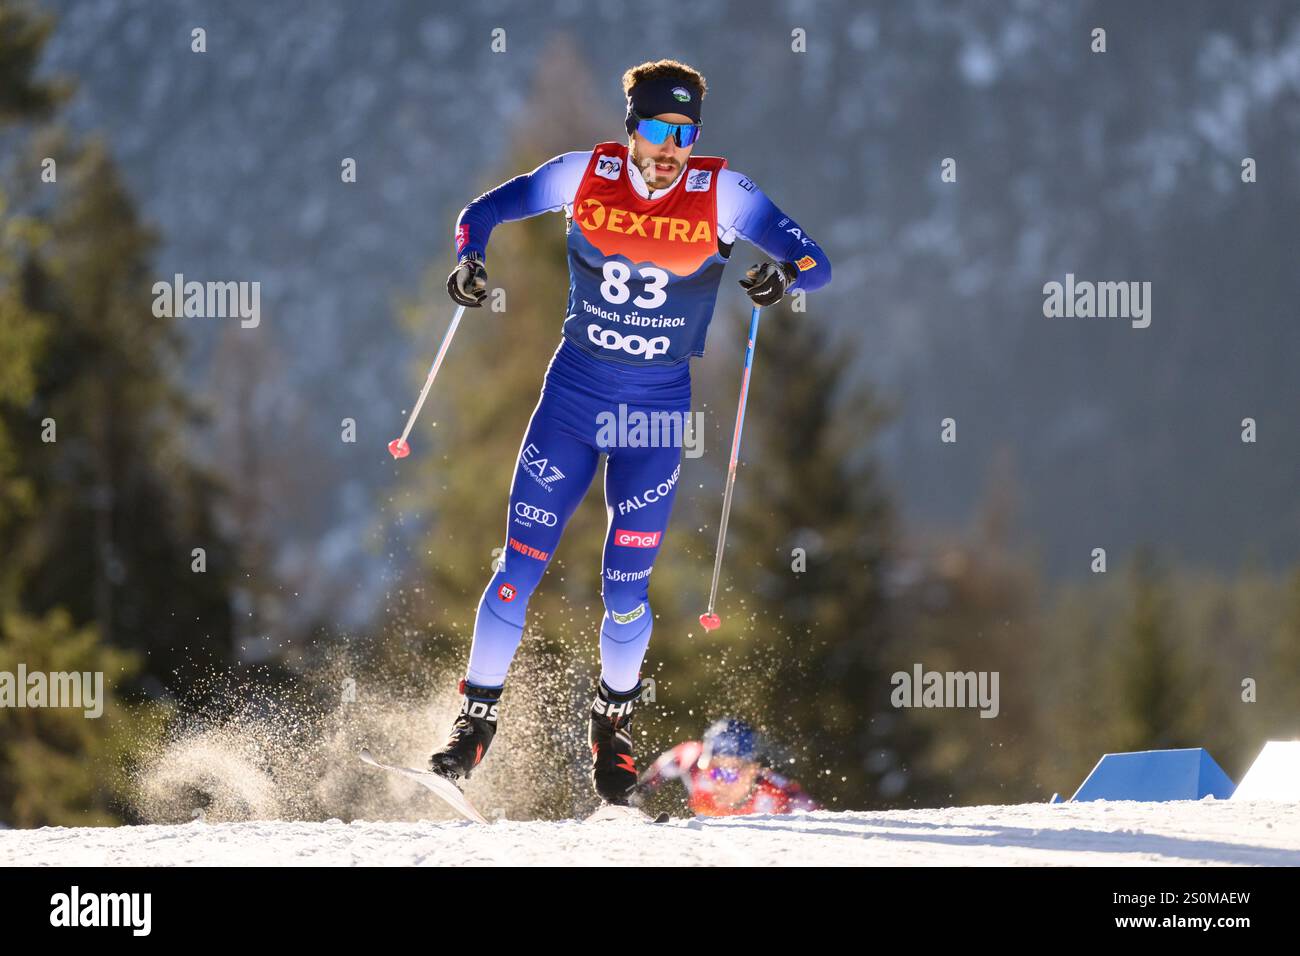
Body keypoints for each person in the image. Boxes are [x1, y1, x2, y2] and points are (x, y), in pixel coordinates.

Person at [428, 59, 832, 808]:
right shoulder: (584, 174)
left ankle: (610, 726)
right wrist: (469, 262)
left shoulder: (723, 193)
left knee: (624, 589)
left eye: (685, 132)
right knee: (518, 568)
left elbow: (815, 261)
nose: (671, 145)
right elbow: (479, 212)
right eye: (656, 128)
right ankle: (476, 721)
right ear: (631, 128)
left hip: (654, 413)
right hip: (573, 401)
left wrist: (785, 277)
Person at [640, 718, 819, 816]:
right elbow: (665, 765)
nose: (719, 780)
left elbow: (822, 819)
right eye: (714, 770)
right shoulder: (694, 763)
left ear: (752, 771)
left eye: (728, 774)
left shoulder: (776, 793)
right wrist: (637, 796)